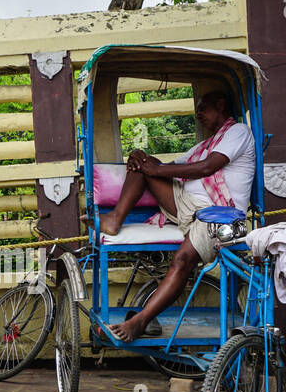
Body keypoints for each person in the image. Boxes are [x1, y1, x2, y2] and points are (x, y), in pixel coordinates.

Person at [100, 90, 255, 342]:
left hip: (220, 216)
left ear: (221, 104)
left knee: (182, 261)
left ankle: (140, 321)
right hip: (187, 206)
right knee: (144, 164)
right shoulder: (208, 143)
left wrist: (155, 166)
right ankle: (116, 218)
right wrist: (140, 156)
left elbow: (207, 167)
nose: (198, 114)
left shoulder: (238, 133)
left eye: (202, 108)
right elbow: (166, 167)